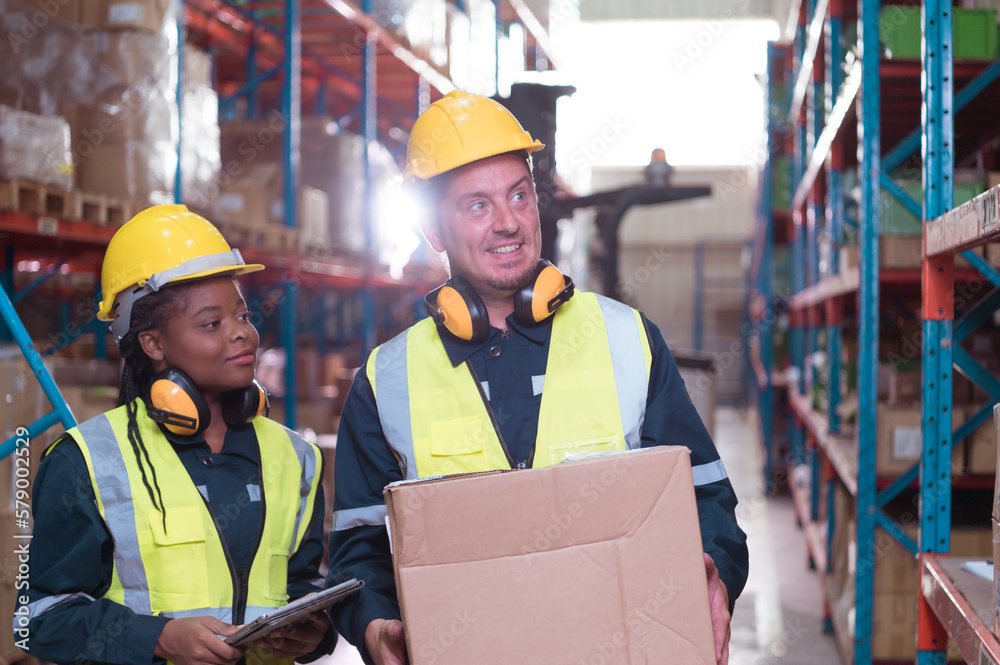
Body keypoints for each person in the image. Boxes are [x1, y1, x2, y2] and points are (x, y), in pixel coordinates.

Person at [326, 91, 749, 665]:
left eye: (518, 195)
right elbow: (358, 549)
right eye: (477, 205)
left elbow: (706, 498)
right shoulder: (385, 381)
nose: (508, 223)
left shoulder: (626, 339)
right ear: (433, 229)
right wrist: (375, 625)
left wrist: (715, 576)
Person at [16, 205, 336, 665]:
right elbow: (40, 618)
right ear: (153, 343)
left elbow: (301, 582)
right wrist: (158, 638)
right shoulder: (87, 461)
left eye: (242, 315)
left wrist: (313, 631)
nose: (241, 334)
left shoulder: (295, 456)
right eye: (212, 323)